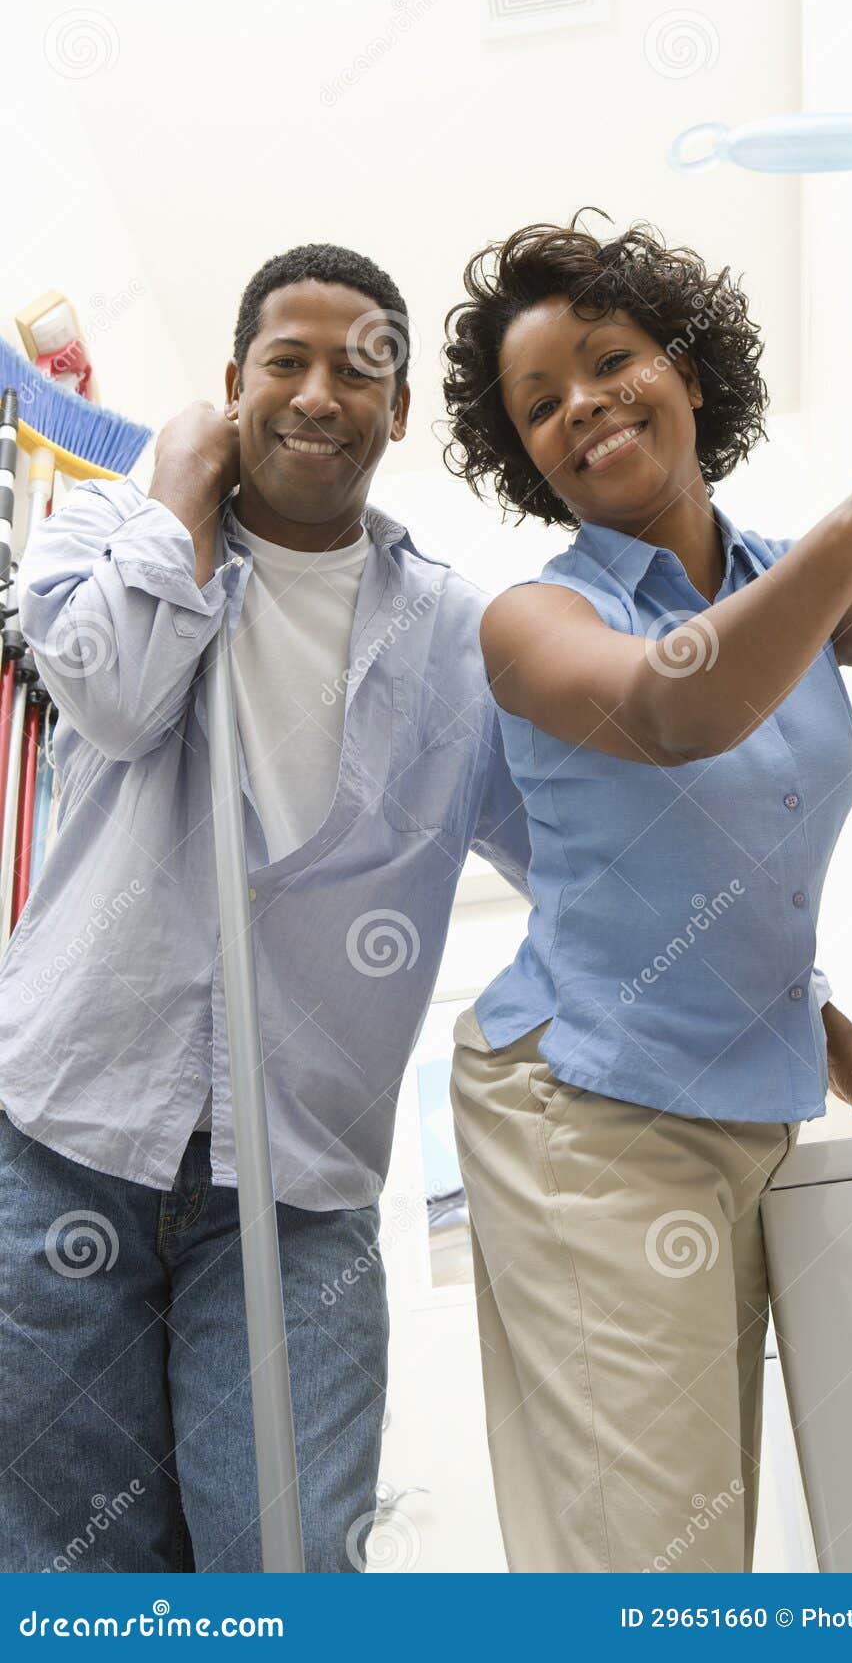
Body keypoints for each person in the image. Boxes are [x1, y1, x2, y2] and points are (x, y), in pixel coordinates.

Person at [443, 215, 852, 1573]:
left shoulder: (788, 581)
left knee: (709, 1544)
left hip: (745, 1118)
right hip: (583, 1117)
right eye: (539, 403)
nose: (580, 403)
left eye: (607, 358)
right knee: (653, 1568)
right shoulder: (538, 622)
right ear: (529, 457)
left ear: (687, 373)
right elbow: (674, 709)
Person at [0, 243, 534, 1573]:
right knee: (71, 1571)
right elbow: (117, 699)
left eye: (359, 367)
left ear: (399, 407)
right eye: (283, 363)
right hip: (63, 1137)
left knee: (288, 1568)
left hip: (296, 1189)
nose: (318, 392)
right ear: (232, 386)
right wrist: (177, 492)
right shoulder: (95, 536)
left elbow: (585, 865)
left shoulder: (463, 643)